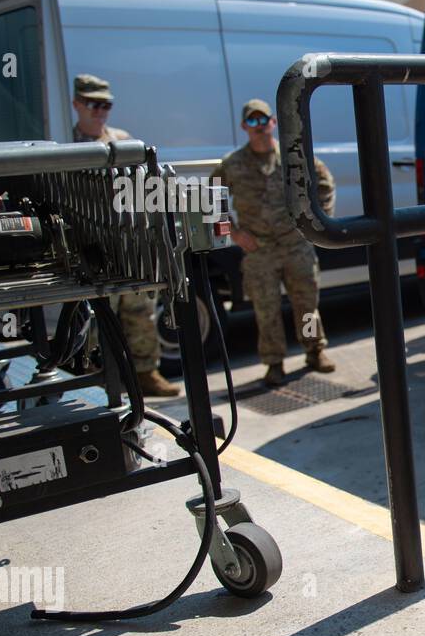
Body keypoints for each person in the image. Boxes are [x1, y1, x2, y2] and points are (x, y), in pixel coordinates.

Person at [211, 99, 335, 386]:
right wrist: (234, 233)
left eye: (263, 120)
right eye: (252, 122)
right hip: (259, 250)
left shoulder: (294, 156)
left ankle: (315, 351)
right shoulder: (232, 164)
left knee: (307, 304)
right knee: (266, 310)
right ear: (244, 126)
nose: (259, 127)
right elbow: (211, 202)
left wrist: (318, 223)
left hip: (295, 245)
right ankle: (274, 363)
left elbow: (325, 182)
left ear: (273, 122)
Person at [71, 74, 181, 397]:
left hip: (128, 241)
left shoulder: (122, 141)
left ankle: (146, 372)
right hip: (91, 246)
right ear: (77, 104)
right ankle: (94, 378)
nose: (100, 111)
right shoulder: (66, 147)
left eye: (106, 105)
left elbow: (145, 188)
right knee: (92, 316)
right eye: (93, 104)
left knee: (140, 309)